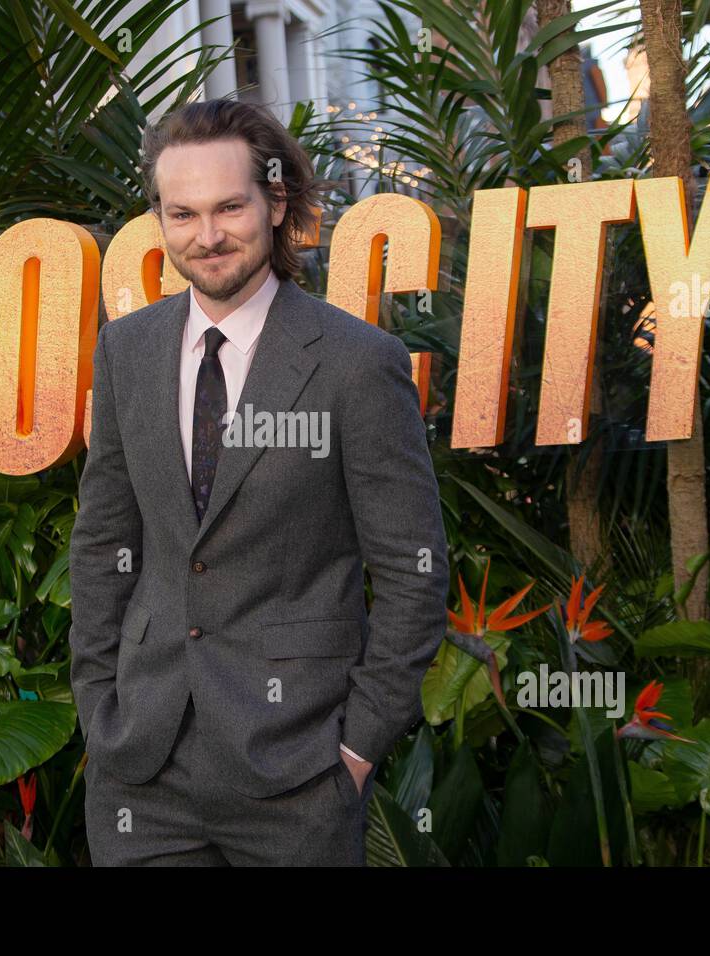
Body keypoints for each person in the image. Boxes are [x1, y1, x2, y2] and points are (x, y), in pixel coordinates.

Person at [69, 99, 449, 866]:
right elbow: (103, 542)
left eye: (229, 208)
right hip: (141, 771)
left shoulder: (356, 363)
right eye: (182, 214)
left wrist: (356, 750)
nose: (206, 236)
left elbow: (414, 572)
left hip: (297, 775)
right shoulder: (125, 351)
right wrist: (99, 704)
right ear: (160, 219)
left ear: (276, 203)